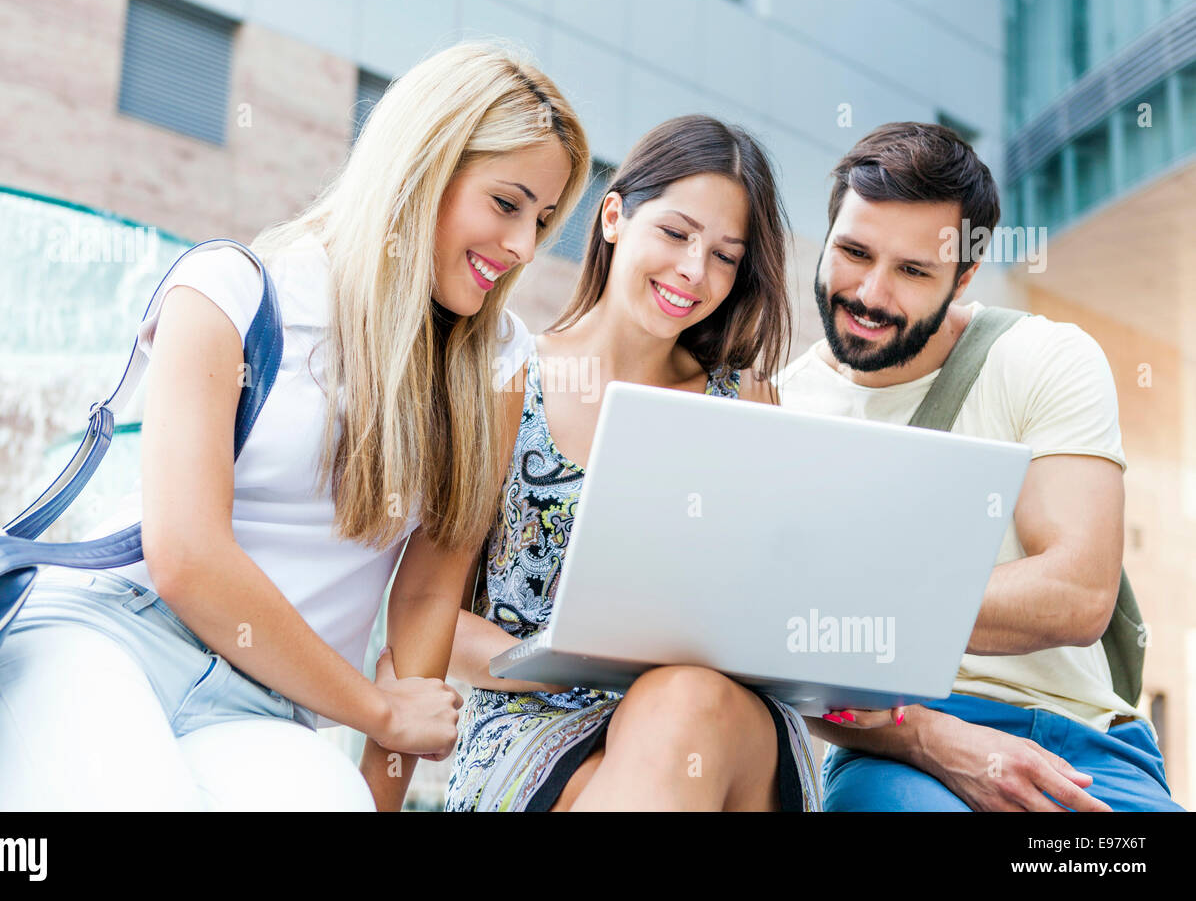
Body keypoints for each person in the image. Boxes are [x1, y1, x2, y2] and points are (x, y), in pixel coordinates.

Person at [0, 42, 591, 811]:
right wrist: (377, 709)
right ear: (425, 165)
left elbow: (424, 601)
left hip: (266, 708)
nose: (523, 247)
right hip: (104, 634)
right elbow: (187, 557)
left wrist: (378, 793)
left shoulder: (493, 363)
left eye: (545, 219)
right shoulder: (230, 290)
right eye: (507, 203)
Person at [780, 121, 1182, 811]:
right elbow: (782, 649)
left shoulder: (1044, 357)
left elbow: (1078, 594)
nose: (872, 294)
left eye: (912, 271)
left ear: (965, 274)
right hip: (901, 745)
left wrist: (853, 607)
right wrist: (930, 736)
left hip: (1089, 744)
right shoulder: (780, 406)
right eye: (853, 252)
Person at [441, 114, 837, 812]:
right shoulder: (511, 381)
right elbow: (433, 615)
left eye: (725, 255)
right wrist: (556, 664)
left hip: (716, 721)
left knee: (680, 699)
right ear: (615, 216)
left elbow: (773, 600)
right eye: (677, 233)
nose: (695, 271)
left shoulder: (743, 399)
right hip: (532, 722)